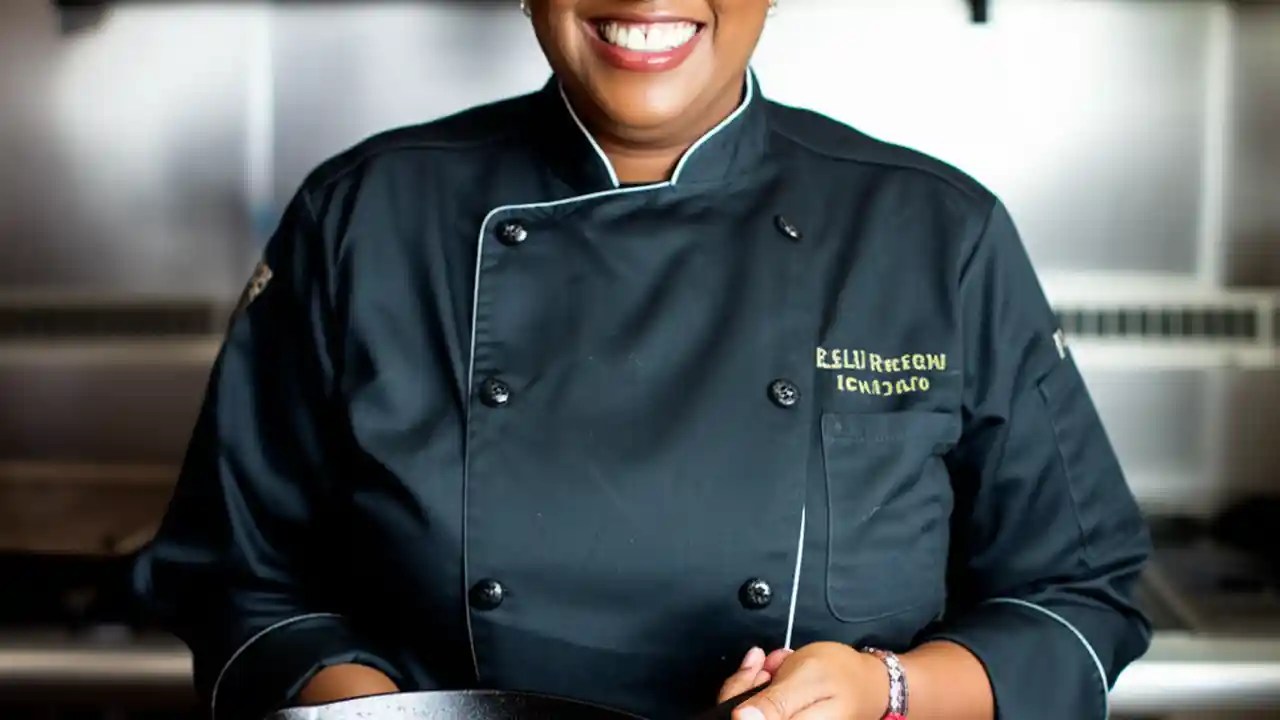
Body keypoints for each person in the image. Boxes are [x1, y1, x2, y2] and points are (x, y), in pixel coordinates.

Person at [132, 1, 1152, 718]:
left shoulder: (935, 232)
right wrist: (380, 718)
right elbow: (240, 579)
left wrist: (888, 690)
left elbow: (1075, 592)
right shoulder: (360, 217)